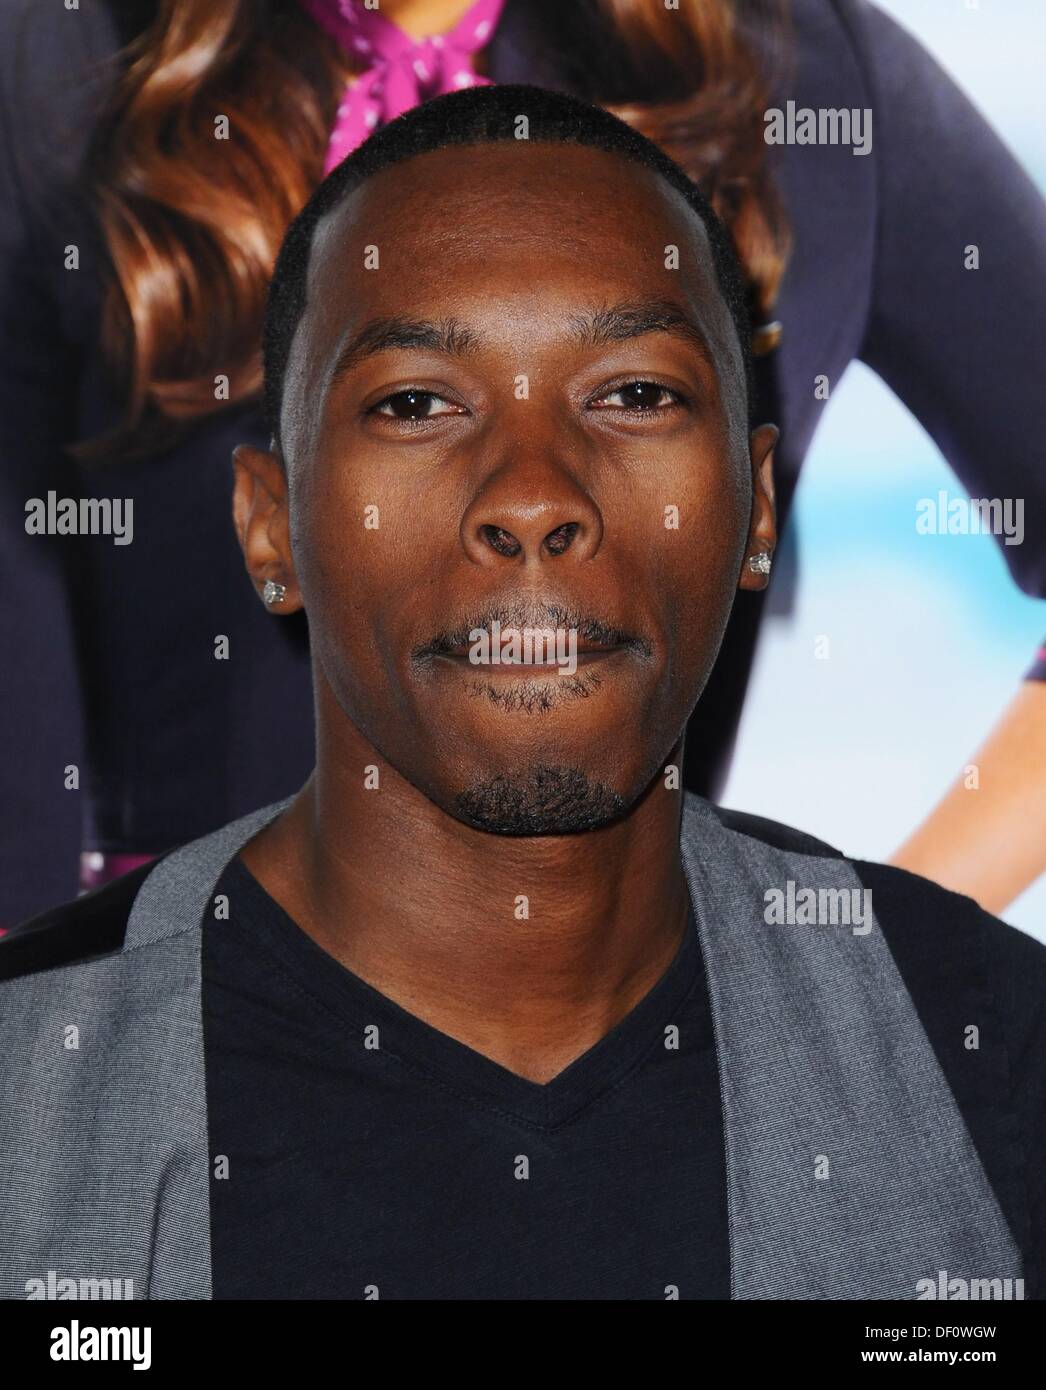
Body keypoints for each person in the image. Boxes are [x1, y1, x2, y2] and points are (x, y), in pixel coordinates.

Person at [1, 85, 1041, 1302]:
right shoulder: (33, 1085)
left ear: (757, 505)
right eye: (416, 403)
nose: (532, 495)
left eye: (634, 394)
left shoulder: (994, 1055)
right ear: (269, 526)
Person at [3, 0, 1045, 930]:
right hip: (174, 1056)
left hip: (636, 1073)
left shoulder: (796, 74)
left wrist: (871, 958)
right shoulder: (59, 56)